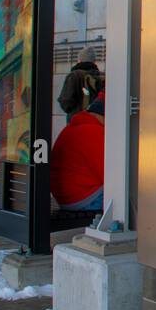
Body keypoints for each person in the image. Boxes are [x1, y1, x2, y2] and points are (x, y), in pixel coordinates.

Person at [51, 82, 105, 212]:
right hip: (84, 199)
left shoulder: (73, 127)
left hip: (65, 198)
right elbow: (109, 176)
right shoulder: (94, 132)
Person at [58, 47, 103, 120]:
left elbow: (66, 102)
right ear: (94, 61)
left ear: (79, 60)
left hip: (77, 121)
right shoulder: (100, 77)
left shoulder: (74, 75)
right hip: (95, 121)